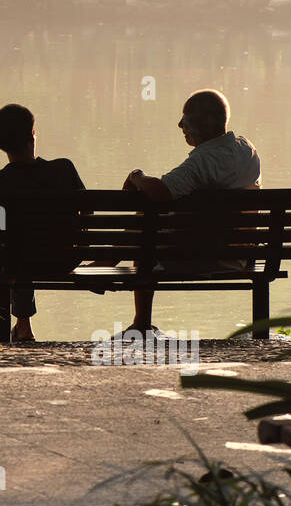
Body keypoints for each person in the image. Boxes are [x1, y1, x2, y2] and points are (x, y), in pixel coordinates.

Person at [108, 88, 260, 336]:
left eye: (186, 118)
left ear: (207, 123)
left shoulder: (201, 162)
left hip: (197, 255)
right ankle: (110, 262)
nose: (180, 124)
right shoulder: (247, 150)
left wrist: (137, 176)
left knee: (148, 224)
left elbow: (159, 193)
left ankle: (140, 320)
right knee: (154, 226)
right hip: (239, 257)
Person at [0, 104, 86, 342]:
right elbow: (87, 211)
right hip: (66, 258)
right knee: (23, 247)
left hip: (16, 262)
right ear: (33, 135)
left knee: (10, 248)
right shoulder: (64, 168)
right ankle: (22, 326)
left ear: (0, 144)